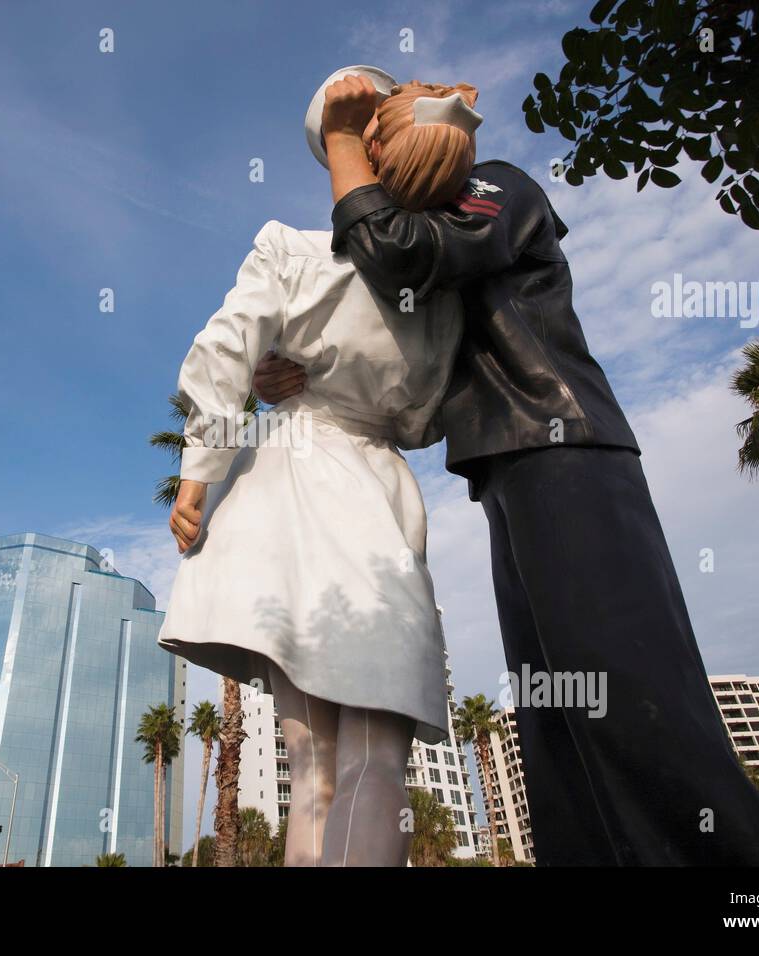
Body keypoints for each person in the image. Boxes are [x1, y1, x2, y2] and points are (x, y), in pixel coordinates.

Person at [253, 70, 759, 866]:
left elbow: (399, 254)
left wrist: (343, 141)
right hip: (508, 476)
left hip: (567, 451)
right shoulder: (432, 263)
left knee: (631, 699)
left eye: (377, 124)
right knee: (559, 735)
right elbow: (399, 395)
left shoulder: (494, 188)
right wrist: (294, 375)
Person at [158, 78, 484, 867]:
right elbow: (420, 421)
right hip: (371, 490)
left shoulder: (291, 250)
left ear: (359, 152)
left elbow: (225, 352)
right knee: (376, 760)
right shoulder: (449, 287)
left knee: (312, 771)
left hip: (282, 491)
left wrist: (201, 471)